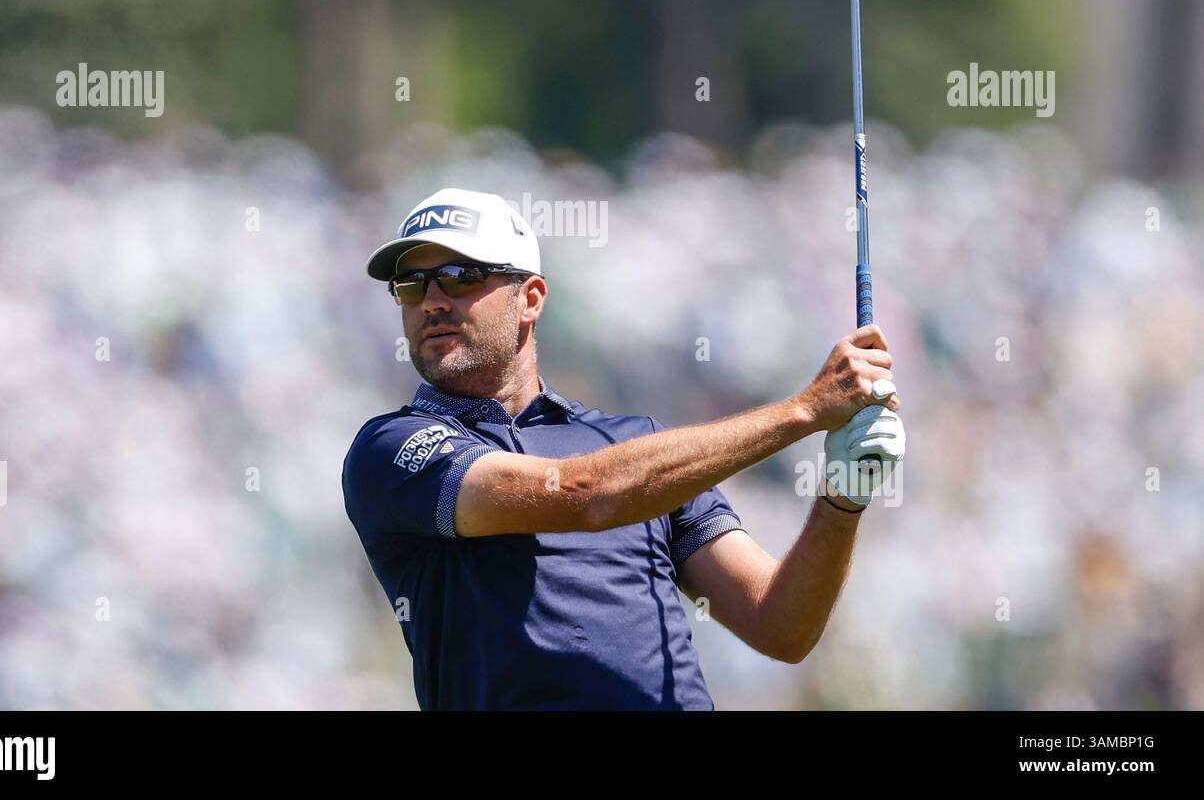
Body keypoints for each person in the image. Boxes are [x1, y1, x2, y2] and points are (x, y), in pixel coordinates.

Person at [342, 187, 906, 710]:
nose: (432, 302)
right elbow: (587, 496)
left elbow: (781, 626)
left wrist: (841, 497)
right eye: (412, 286)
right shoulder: (390, 450)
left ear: (530, 298)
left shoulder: (637, 445)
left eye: (460, 276)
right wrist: (802, 410)